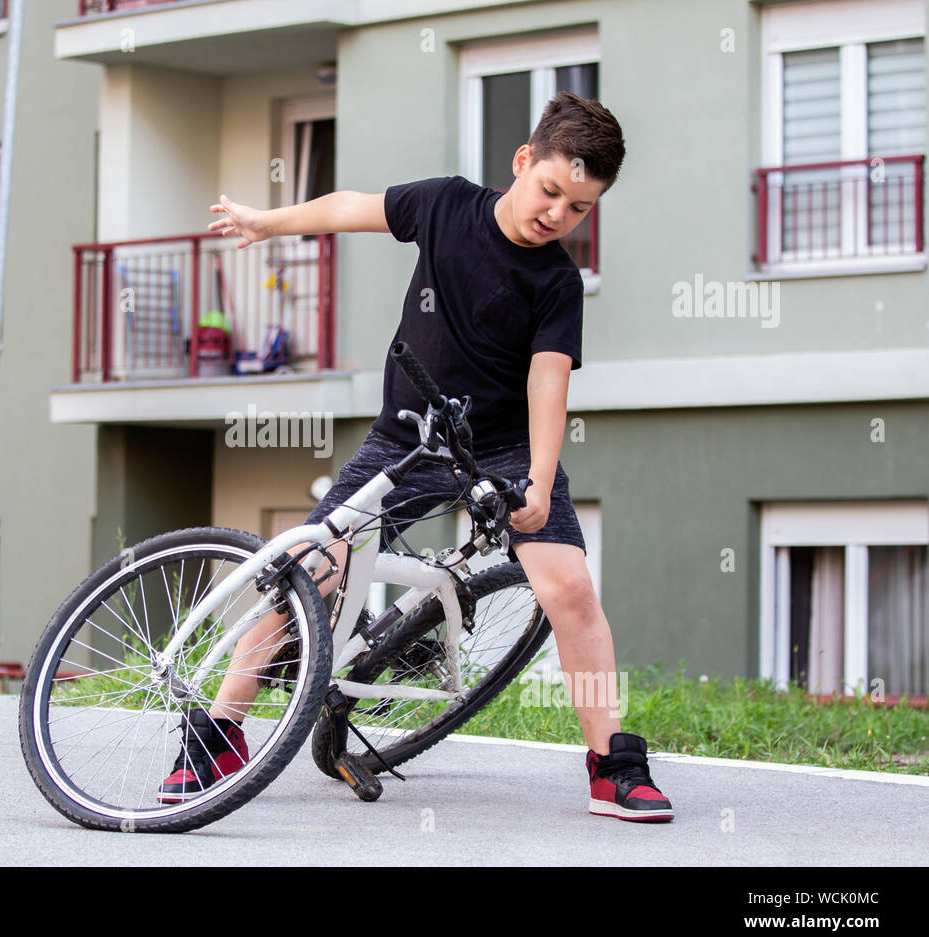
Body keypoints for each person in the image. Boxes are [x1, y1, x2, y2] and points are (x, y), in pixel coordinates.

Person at [158, 91, 673, 823]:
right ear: (523, 162)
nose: (558, 214)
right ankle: (220, 734)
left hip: (505, 446)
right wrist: (265, 221)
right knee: (308, 568)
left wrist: (538, 479)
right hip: (407, 435)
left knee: (570, 591)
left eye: (580, 209)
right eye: (551, 191)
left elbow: (547, 383)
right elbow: (349, 208)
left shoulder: (556, 282)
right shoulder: (445, 206)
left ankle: (612, 766)